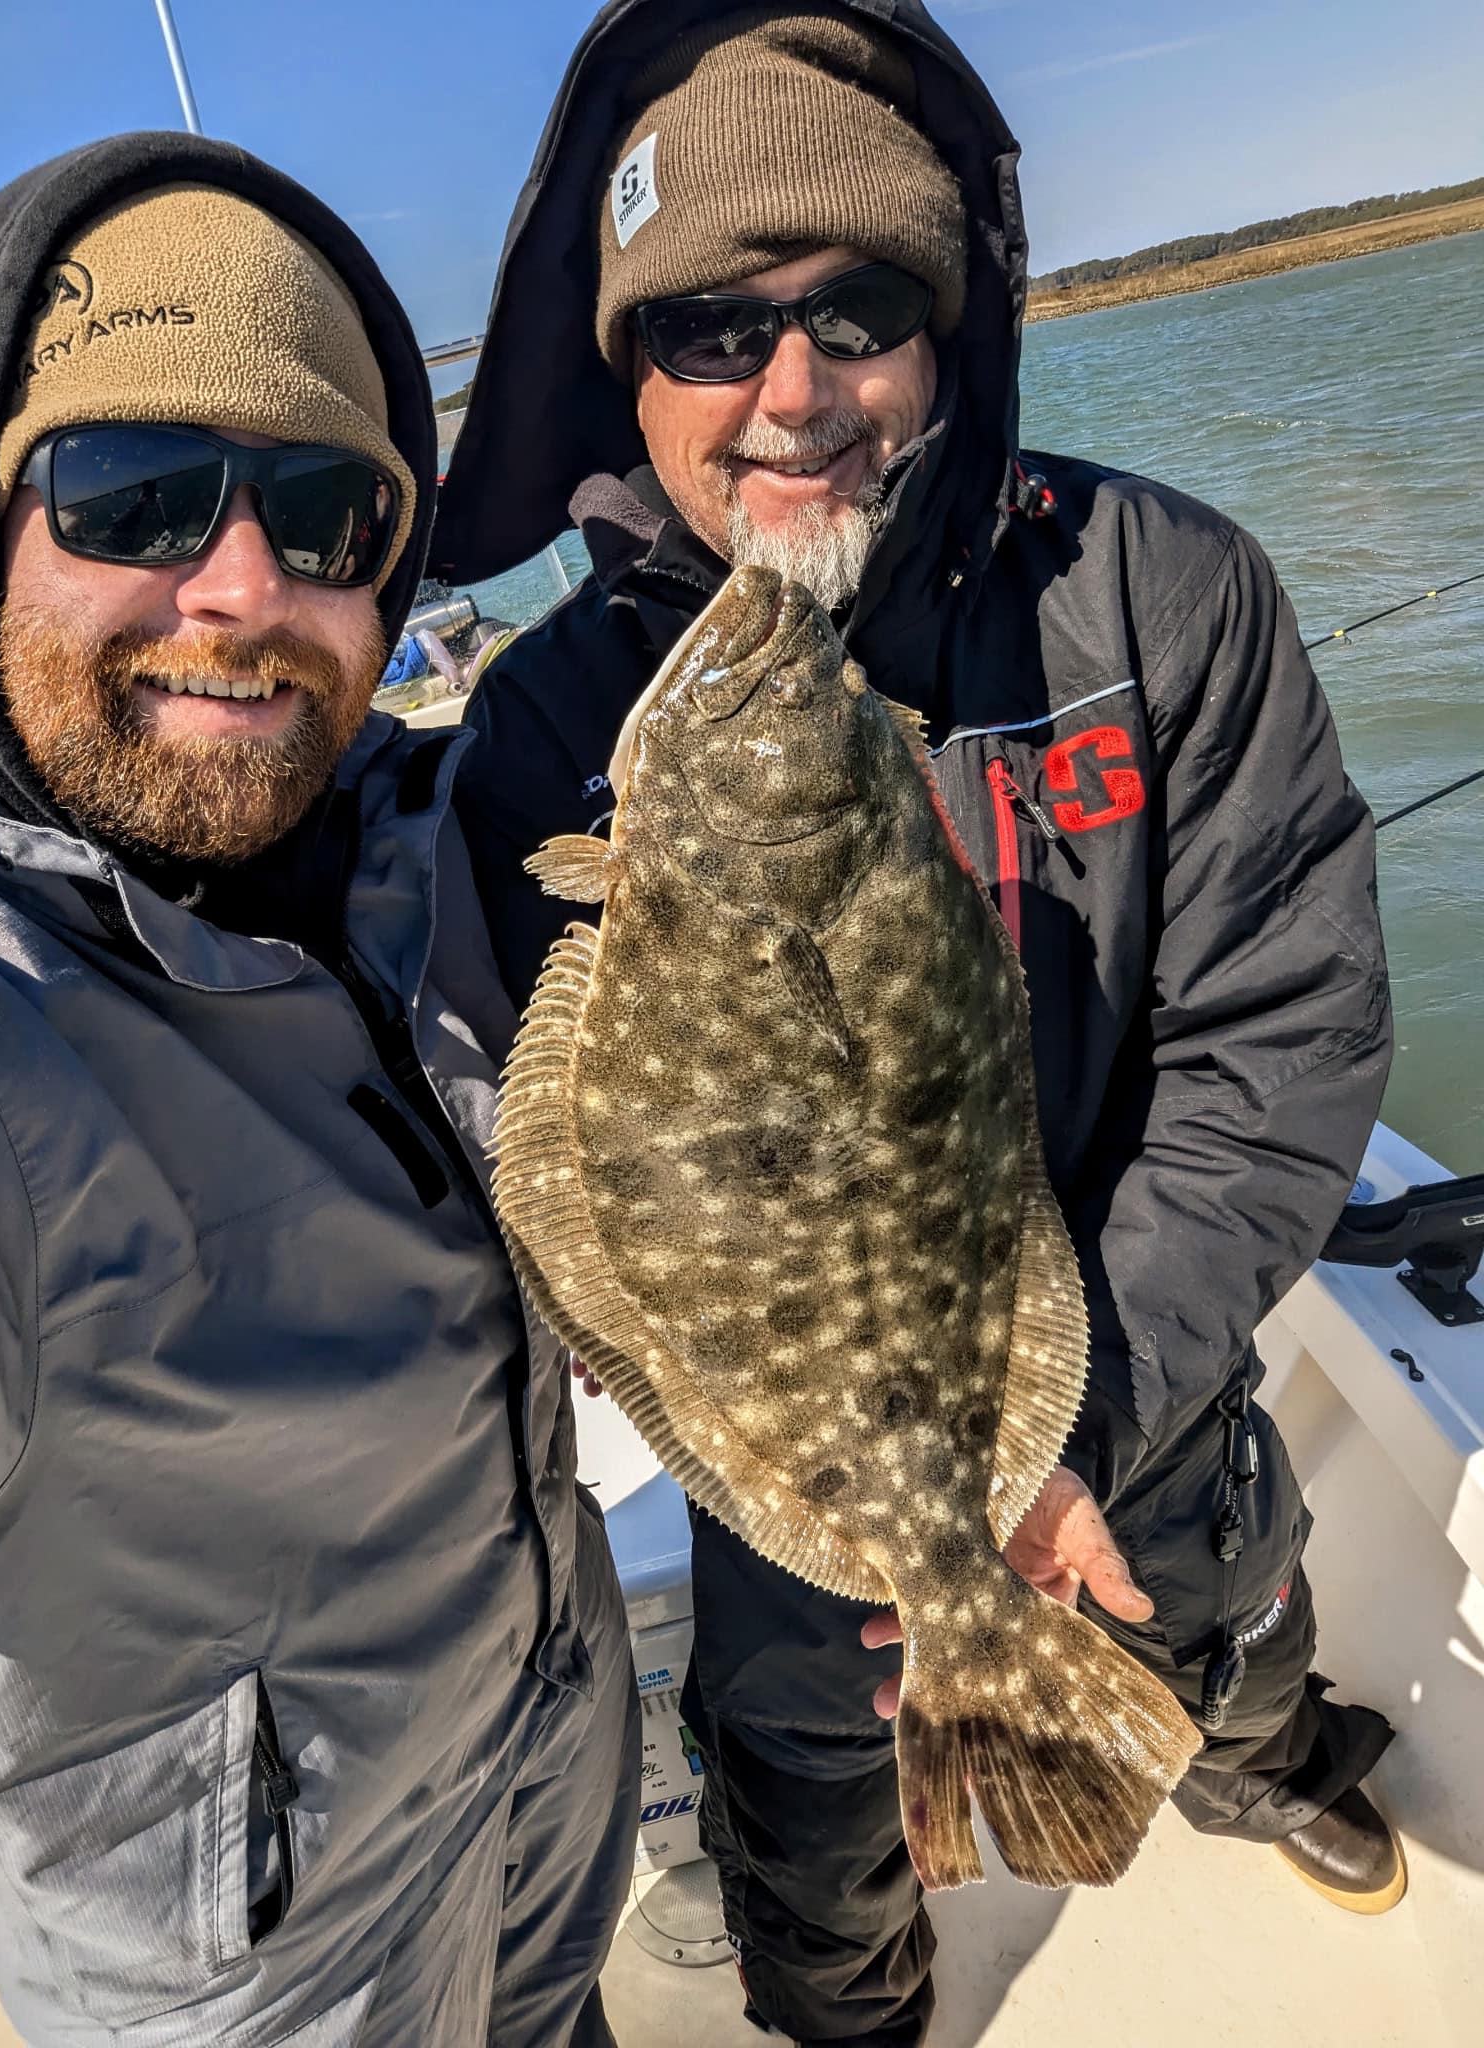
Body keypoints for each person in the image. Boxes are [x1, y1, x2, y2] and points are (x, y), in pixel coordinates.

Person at [433, 4, 1405, 2042]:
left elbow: (1277, 1040)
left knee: (1224, 1630)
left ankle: (1262, 1757)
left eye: (861, 307)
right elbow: (515, 1128)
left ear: (949, 330)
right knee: (814, 1815)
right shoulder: (538, 729)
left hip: (1140, 1369)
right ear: (630, 365)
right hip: (798, 1477)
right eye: (711, 328)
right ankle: (852, 2007)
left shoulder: (1157, 596)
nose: (791, 392)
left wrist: (1088, 1411)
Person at [0, 134, 635, 2047]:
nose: (241, 584)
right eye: (135, 491)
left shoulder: (412, 845)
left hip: (544, 1776)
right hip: (267, 1979)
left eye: (328, 517)